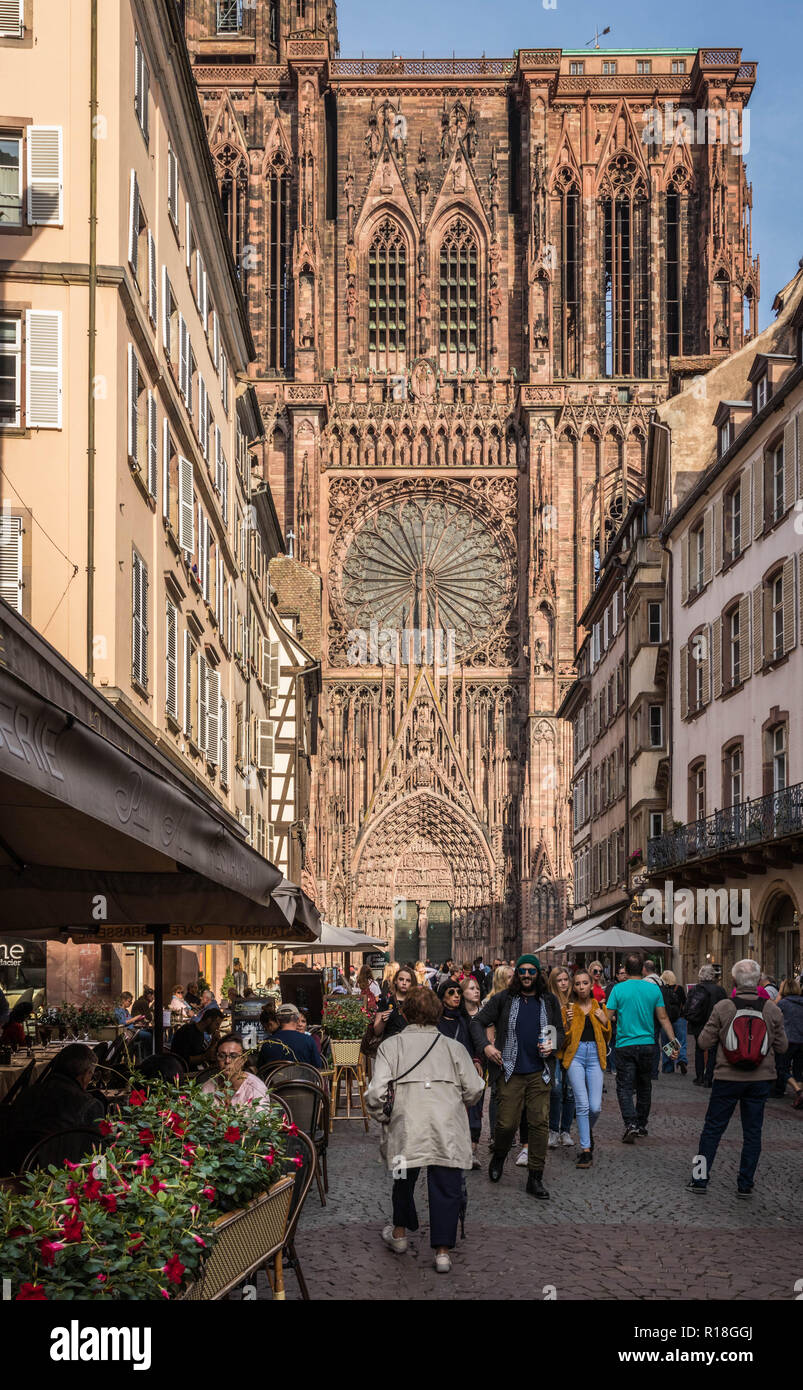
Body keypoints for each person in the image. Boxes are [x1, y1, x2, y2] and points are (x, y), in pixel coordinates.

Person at [365, 986, 485, 1274]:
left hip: (407, 1125)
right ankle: (442, 1252)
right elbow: (474, 1089)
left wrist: (386, 1117)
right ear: (438, 1012)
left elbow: (375, 1094)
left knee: (403, 1179)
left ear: (405, 1014)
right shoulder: (453, 1048)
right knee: (446, 1184)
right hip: (446, 1126)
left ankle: (400, 1234)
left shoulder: (391, 1046)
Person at [687, 959, 788, 1196]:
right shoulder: (772, 1009)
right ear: (759, 980)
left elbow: (703, 1042)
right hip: (759, 1079)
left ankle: (699, 1179)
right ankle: (745, 1184)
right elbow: (782, 1046)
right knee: (753, 1132)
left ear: (733, 981)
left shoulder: (724, 1007)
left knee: (712, 1129)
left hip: (727, 1078)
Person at [469, 954, 565, 1199]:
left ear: (538, 974)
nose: (526, 975)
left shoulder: (549, 1001)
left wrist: (552, 1046)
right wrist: (486, 1047)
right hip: (510, 1070)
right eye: (522, 971)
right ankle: (500, 1154)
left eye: (531, 972)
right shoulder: (504, 999)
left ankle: (535, 1177)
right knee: (506, 1124)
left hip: (539, 1072)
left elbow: (559, 1034)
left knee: (539, 1125)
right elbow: (477, 1023)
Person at [0, 1043, 105, 1177]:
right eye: (91, 1074)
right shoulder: (90, 1104)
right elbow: (97, 1158)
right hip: (62, 1179)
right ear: (85, 1074)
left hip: (15, 1176)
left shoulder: (26, 1095)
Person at [605, 952, 679, 1142]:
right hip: (648, 1045)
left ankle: (630, 1123)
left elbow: (606, 1017)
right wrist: (673, 1041)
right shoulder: (653, 990)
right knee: (645, 1086)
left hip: (625, 1044)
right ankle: (641, 1124)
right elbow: (663, 1018)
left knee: (624, 1087)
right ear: (643, 970)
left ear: (626, 970)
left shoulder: (618, 989)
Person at [561, 970, 611, 1168]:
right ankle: (586, 1150)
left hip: (595, 1057)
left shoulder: (600, 1007)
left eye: (585, 983)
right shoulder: (569, 1009)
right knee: (581, 1103)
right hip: (575, 1056)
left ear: (591, 985)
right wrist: (569, 1023)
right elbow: (564, 1040)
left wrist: (605, 1021)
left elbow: (607, 1037)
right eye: (578, 984)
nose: (581, 987)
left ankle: (585, 1131)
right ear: (574, 987)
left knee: (595, 1106)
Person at [201, 1033, 272, 1112]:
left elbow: (260, 1121)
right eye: (222, 1056)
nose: (227, 1061)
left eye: (233, 1056)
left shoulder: (255, 1088)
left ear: (243, 1059)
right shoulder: (208, 1087)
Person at [546, 967, 576, 1152]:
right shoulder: (549, 1001)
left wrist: (575, 1020)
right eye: (560, 980)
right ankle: (553, 1130)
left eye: (566, 979)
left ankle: (565, 1131)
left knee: (570, 1091)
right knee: (556, 1090)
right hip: (555, 1052)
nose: (564, 983)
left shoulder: (575, 1001)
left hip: (572, 1052)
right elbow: (548, 1028)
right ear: (553, 982)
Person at [460, 975, 487, 1167]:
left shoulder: (485, 1015)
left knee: (476, 1107)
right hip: (460, 1066)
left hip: (479, 1066)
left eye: (477, 988)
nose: (476, 991)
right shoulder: (457, 1016)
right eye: (471, 988)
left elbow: (488, 1041)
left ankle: (472, 1150)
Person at [686, 965, 728, 1087]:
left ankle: (699, 1077)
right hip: (714, 1024)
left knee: (699, 1049)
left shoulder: (695, 989)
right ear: (712, 975)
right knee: (713, 1051)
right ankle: (708, 1077)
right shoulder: (720, 990)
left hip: (698, 1023)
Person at [257, 1003, 321, 1069]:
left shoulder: (267, 1043)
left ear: (278, 1021)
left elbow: (261, 1069)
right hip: (305, 1078)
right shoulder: (309, 1040)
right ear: (297, 1020)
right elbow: (317, 1066)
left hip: (276, 1079)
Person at [775, 976, 803, 1106]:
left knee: (782, 1068)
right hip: (801, 1041)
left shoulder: (783, 1003)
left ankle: (797, 1090)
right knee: (798, 1069)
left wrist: (779, 995)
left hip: (788, 1040)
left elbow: (773, 1016)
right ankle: (800, 1096)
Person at [373, 964, 416, 1043]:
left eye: (408, 980)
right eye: (401, 979)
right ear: (395, 981)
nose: (404, 983)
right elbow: (377, 1031)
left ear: (412, 983)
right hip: (390, 1046)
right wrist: (382, 1021)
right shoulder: (386, 1001)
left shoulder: (416, 1002)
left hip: (410, 1045)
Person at [659, 970, 688, 1075]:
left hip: (665, 1019)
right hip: (679, 1018)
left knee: (667, 1042)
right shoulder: (679, 989)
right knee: (681, 1040)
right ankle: (682, 1059)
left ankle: (668, 1066)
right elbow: (684, 1003)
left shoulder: (661, 990)